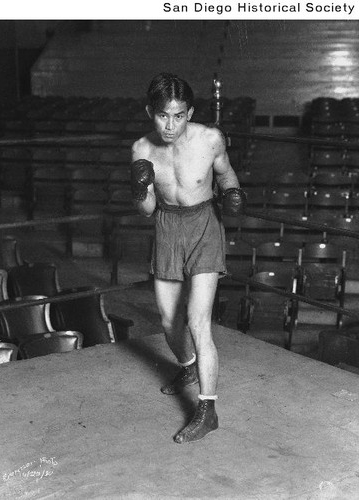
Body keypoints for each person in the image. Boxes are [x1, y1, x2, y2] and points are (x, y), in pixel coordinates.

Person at [130, 73, 246, 444]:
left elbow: (227, 176)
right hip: (166, 226)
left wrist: (233, 194)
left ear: (189, 112)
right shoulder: (141, 150)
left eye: (179, 116)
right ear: (151, 112)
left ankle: (207, 410)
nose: (171, 125)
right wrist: (140, 187)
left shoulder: (210, 139)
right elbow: (147, 210)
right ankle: (188, 367)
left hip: (204, 225)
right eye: (164, 116)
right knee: (167, 320)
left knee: (198, 320)